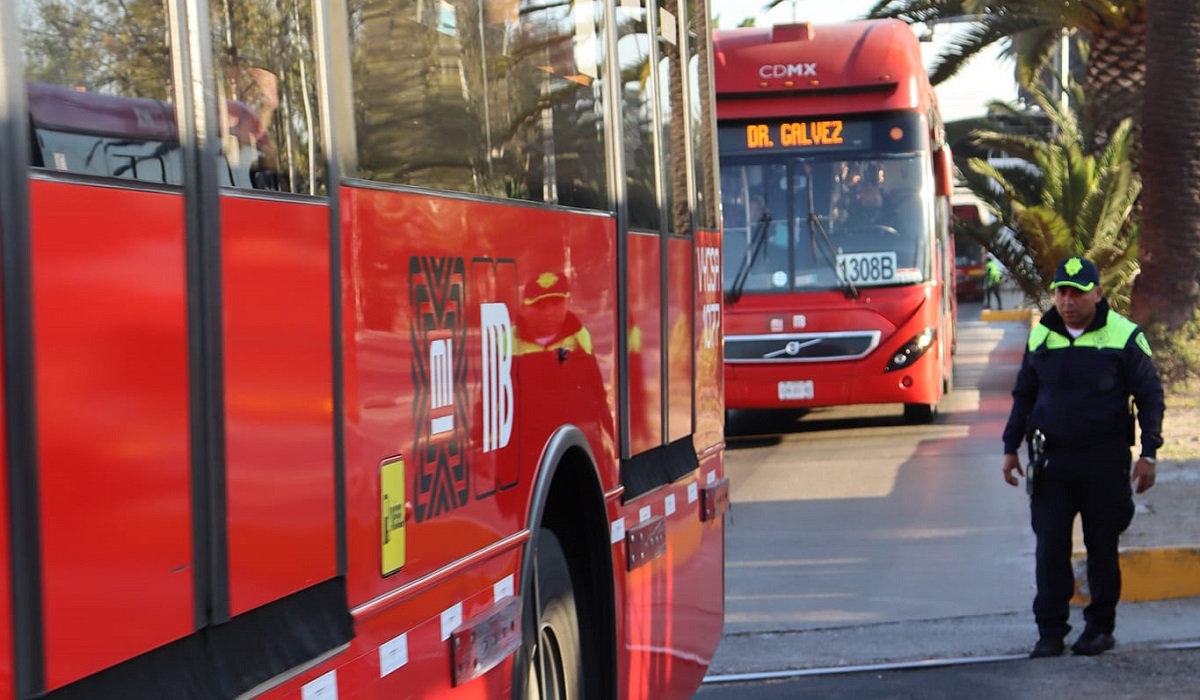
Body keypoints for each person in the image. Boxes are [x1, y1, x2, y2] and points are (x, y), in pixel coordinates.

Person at [1001, 256, 1165, 659]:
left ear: (1098, 293)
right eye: (1061, 291)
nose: (1068, 300)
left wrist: (1149, 453)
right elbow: (1024, 394)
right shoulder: (1042, 335)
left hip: (1104, 461)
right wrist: (1010, 447)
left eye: (1076, 291)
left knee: (1102, 547)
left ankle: (1099, 628)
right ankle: (1051, 632)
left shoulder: (1124, 335)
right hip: (1052, 463)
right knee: (1049, 548)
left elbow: (1150, 398)